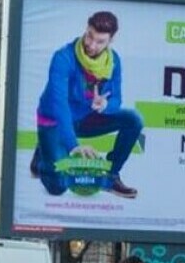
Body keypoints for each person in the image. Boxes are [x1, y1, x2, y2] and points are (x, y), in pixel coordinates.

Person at [31, 11, 144, 199]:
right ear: (86, 29)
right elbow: (59, 105)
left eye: (100, 41)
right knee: (57, 187)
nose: (91, 45)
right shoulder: (63, 58)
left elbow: (117, 100)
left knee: (134, 120)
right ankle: (43, 152)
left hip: (85, 118)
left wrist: (106, 105)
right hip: (55, 121)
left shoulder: (113, 61)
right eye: (90, 36)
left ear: (111, 40)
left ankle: (110, 175)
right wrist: (73, 146)